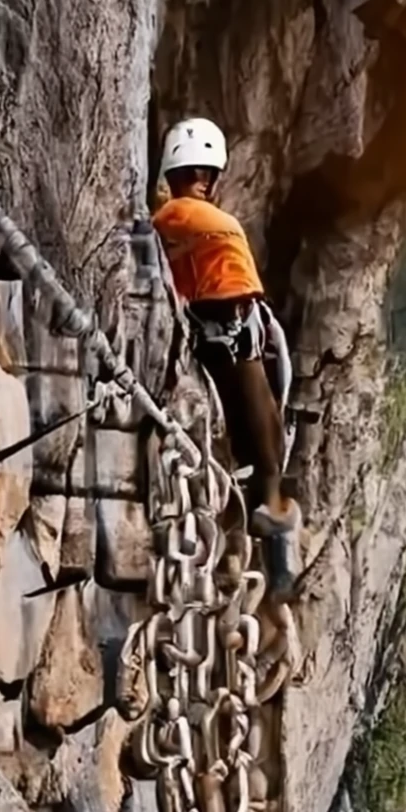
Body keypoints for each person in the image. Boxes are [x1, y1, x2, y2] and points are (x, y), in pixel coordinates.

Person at [152, 117, 300, 539]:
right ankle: (268, 506)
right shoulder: (208, 220)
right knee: (267, 434)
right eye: (199, 174)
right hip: (226, 333)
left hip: (213, 324)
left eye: (202, 174)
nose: (202, 181)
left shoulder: (168, 217)